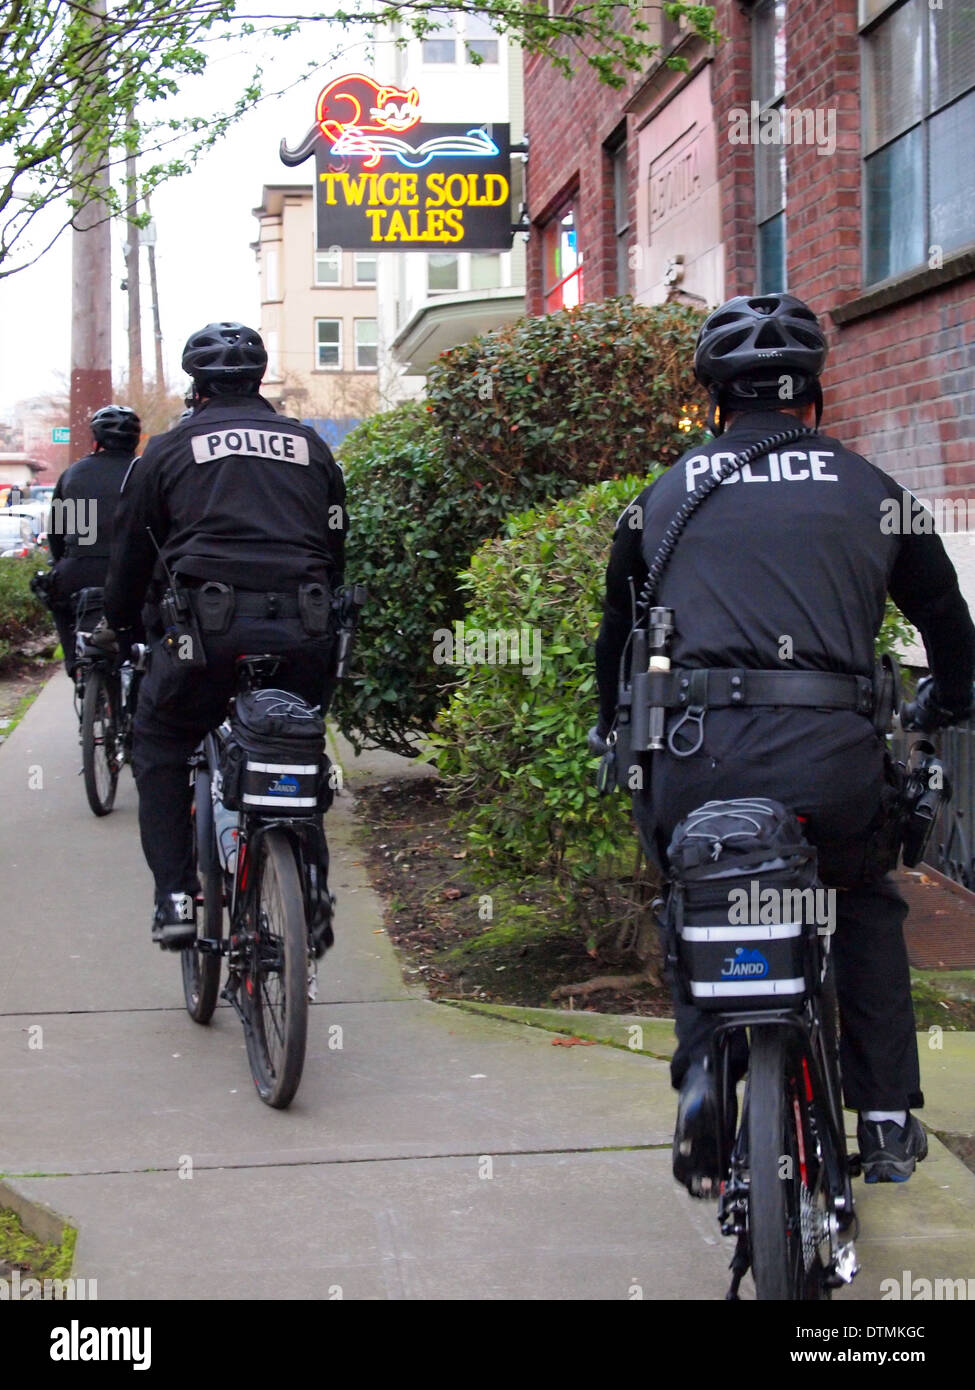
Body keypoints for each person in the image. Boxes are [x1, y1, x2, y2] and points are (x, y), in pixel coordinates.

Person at [591, 292, 975, 1188]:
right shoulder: (874, 492)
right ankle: (881, 1117)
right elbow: (948, 627)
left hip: (694, 759)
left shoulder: (662, 496)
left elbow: (614, 641)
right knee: (862, 902)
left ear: (712, 403)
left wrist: (610, 725)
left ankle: (701, 1092)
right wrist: (947, 703)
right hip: (831, 763)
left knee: (699, 891)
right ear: (814, 399)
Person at [100, 322, 347, 949]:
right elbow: (334, 545)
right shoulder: (311, 446)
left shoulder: (170, 448)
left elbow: (132, 551)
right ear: (260, 378)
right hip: (303, 632)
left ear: (196, 384)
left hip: (202, 640)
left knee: (158, 742)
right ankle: (310, 888)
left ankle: (176, 897)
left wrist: (121, 624)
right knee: (293, 744)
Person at [47, 406, 141, 674]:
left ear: (96, 440)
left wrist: (60, 561)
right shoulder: (145, 470)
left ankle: (74, 663)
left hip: (80, 568)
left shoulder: (74, 473)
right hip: (133, 570)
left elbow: (57, 532)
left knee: (56, 597)